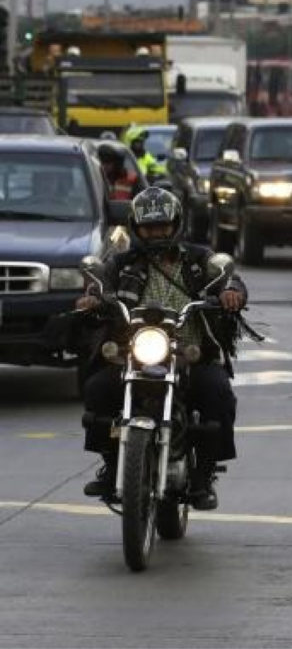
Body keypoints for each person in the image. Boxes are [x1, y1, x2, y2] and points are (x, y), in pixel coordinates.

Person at [75, 187, 247, 510]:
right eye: (149, 227)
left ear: (176, 225)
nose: (157, 233)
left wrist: (232, 292)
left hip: (190, 355)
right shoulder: (122, 264)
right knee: (97, 389)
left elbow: (229, 278)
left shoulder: (198, 260)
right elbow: (100, 283)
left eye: (163, 226)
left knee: (218, 392)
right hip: (134, 355)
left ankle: (203, 476)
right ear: (136, 227)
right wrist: (93, 298)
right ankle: (112, 464)